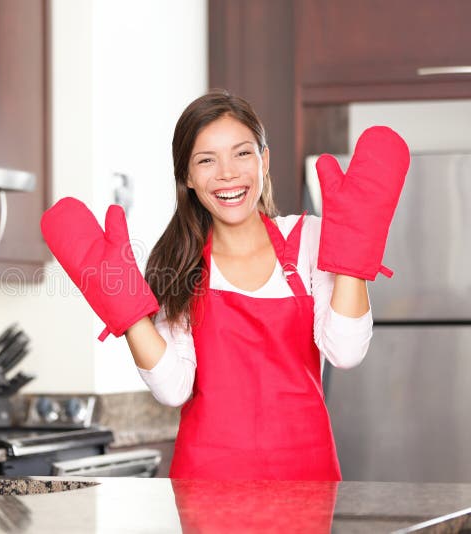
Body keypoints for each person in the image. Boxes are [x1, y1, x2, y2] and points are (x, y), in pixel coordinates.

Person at [40, 89, 409, 480]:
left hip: (306, 481)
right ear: (188, 176)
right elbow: (173, 389)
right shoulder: (177, 264)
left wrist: (353, 255)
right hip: (206, 486)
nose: (227, 173)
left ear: (264, 160)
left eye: (242, 153)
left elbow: (346, 351)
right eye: (206, 160)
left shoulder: (309, 240)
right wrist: (127, 314)